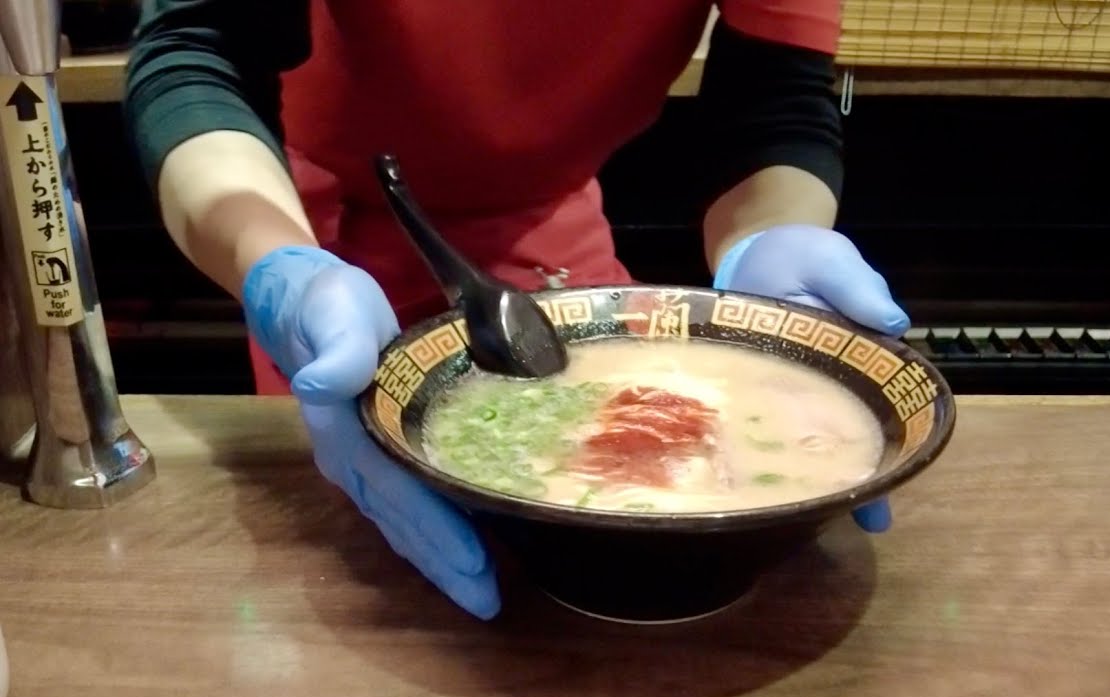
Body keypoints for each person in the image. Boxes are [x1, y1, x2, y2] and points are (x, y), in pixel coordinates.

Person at [123, 1, 911, 620]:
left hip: (549, 228)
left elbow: (773, 103)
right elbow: (199, 51)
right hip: (314, 234)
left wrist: (770, 247)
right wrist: (279, 269)